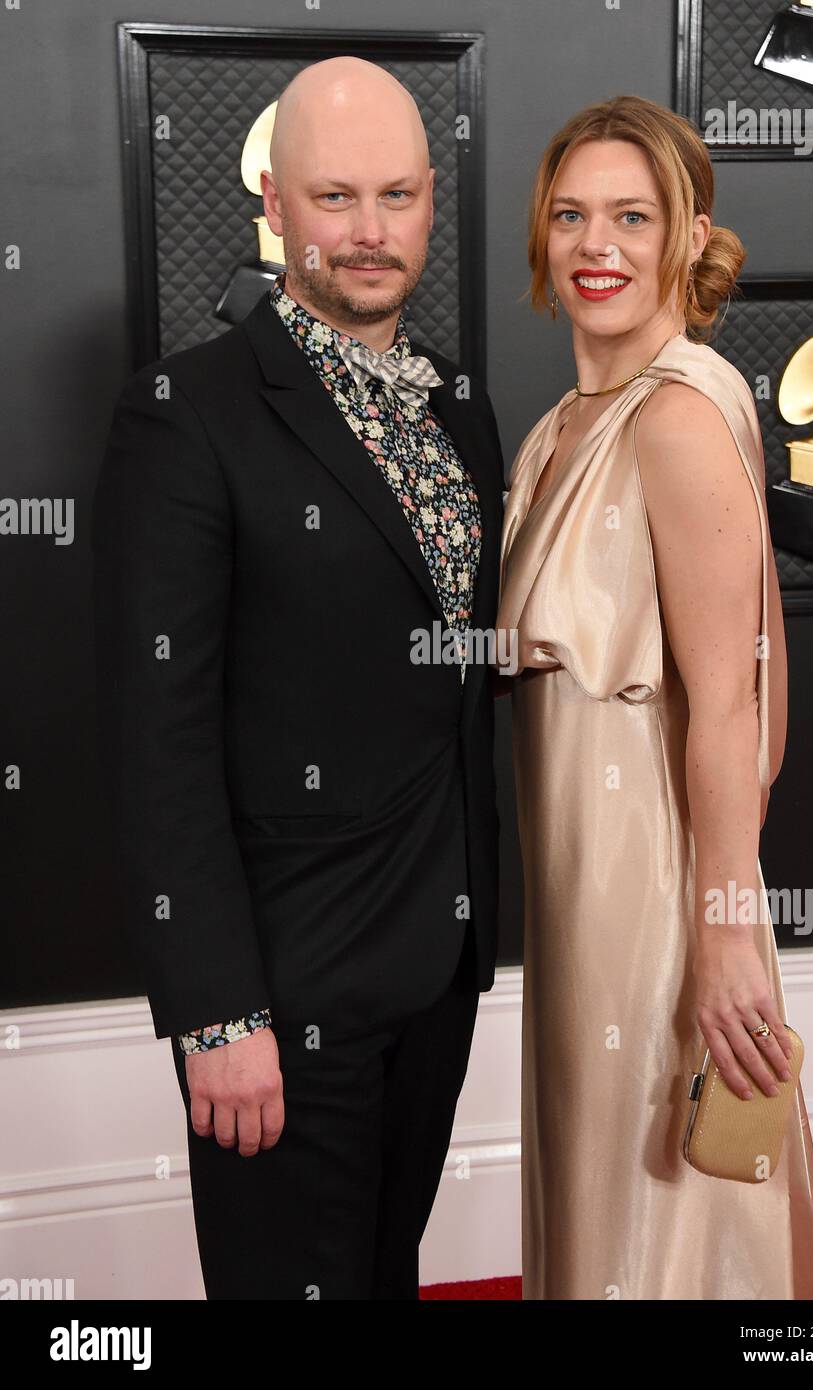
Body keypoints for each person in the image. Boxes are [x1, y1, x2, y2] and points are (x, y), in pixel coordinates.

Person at [91, 57, 504, 1299]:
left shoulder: (461, 409)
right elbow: (152, 738)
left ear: (434, 198)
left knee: (385, 1275)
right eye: (335, 198)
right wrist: (215, 1013)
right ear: (273, 202)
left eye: (396, 195)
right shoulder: (187, 413)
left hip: (439, 958)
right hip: (279, 988)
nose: (370, 233)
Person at [495, 94, 813, 1300]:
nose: (597, 246)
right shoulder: (556, 429)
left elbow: (731, 704)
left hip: (654, 893)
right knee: (605, 1193)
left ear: (689, 239)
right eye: (571, 216)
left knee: (672, 1220)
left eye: (631, 217)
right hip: (575, 888)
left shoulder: (680, 413)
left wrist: (721, 932)